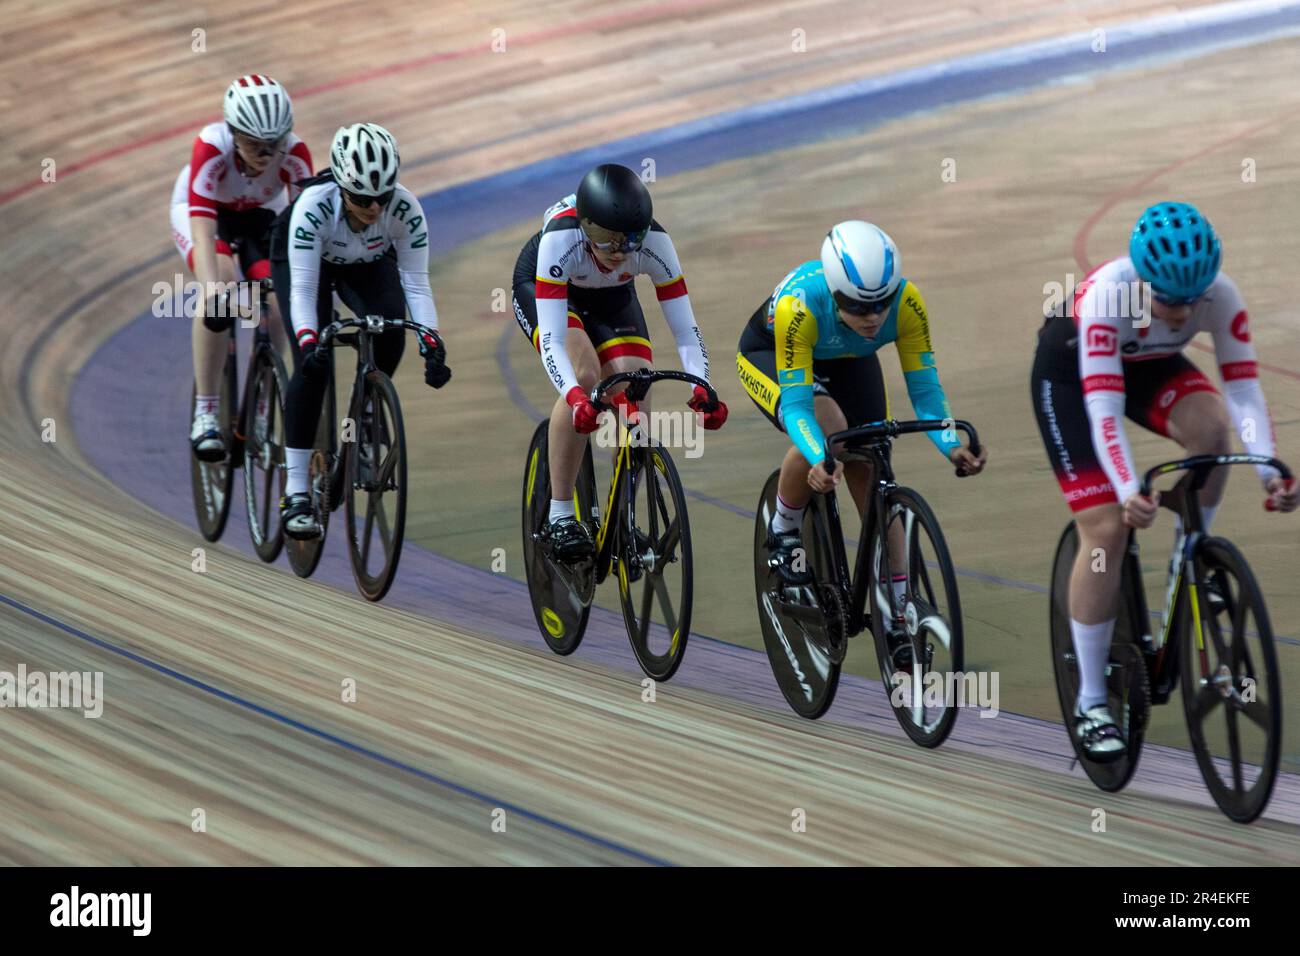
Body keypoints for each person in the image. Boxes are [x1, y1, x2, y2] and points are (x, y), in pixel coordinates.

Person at [1031, 201, 1298, 761]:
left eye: (1191, 301)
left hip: (1150, 364)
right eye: (1167, 301)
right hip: (1073, 374)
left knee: (1213, 433)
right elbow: (1104, 409)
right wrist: (1128, 490)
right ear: (1143, 281)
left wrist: (1270, 466)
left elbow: (1243, 391)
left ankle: (1192, 551)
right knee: (1105, 530)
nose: (1180, 313)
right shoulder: (1111, 295)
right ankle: (1092, 701)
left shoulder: (1219, 294)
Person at [736, 220, 987, 662]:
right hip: (772, 354)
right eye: (857, 306)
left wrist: (952, 445)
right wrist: (819, 456)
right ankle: (784, 530)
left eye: (880, 305)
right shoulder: (802, 306)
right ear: (834, 294)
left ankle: (895, 611)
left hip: (851, 358)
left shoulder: (907, 304)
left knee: (871, 461)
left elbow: (926, 392)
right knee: (829, 427)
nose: (872, 318)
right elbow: (796, 407)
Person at [511, 163, 727, 561]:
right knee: (587, 374)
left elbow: (685, 330)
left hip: (612, 299)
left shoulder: (655, 245)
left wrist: (702, 385)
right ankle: (561, 515)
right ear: (585, 226)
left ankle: (621, 518)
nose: (618, 251)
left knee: (637, 394)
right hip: (554, 291)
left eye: (629, 242)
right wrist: (578, 397)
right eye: (605, 240)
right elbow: (555, 340)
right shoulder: (561, 240)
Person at [272, 123, 451, 539]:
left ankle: (368, 409)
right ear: (340, 184)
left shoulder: (405, 209)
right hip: (304, 261)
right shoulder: (315, 206)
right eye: (362, 199)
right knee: (312, 367)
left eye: (382, 198)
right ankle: (296, 490)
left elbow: (416, 284)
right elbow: (301, 291)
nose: (373, 209)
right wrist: (309, 341)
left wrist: (431, 342)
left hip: (366, 262)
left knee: (391, 325)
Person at [170, 74, 313, 461]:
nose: (267, 156)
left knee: (283, 303)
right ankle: (207, 410)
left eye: (275, 144)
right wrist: (213, 288)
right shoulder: (211, 147)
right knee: (223, 283)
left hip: (262, 217)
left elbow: (305, 229)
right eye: (255, 145)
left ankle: (263, 406)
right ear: (233, 133)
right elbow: (202, 225)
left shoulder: (296, 153)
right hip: (204, 213)